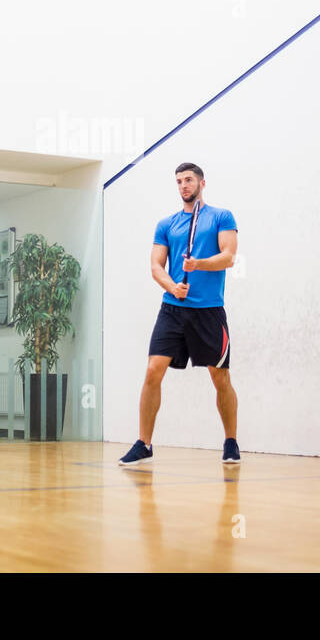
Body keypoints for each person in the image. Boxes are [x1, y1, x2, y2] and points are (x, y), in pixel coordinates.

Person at [119, 162, 241, 466]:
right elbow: (155, 266)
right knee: (152, 371)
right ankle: (144, 444)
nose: (183, 185)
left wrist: (197, 264)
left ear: (201, 183)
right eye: (178, 181)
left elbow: (229, 257)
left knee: (220, 377)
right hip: (173, 309)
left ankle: (230, 442)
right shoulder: (166, 224)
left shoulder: (221, 217)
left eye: (188, 180)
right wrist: (173, 286)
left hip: (209, 311)